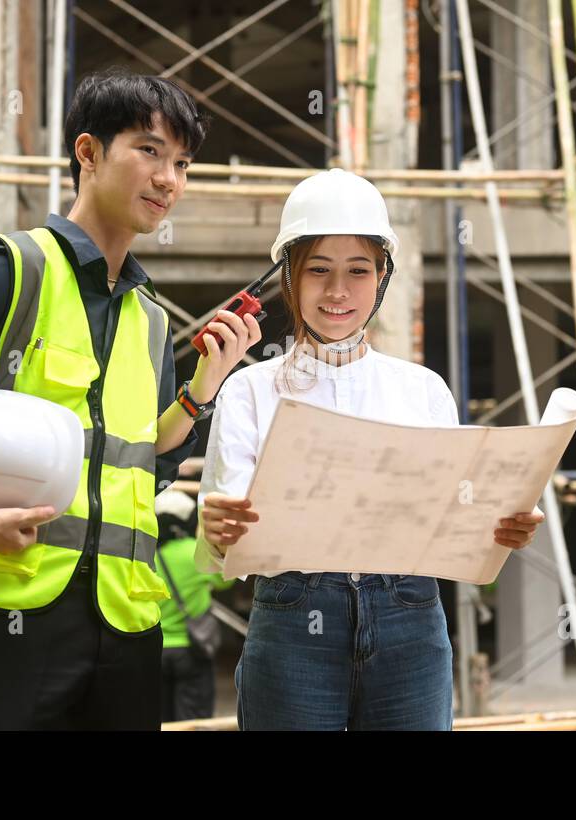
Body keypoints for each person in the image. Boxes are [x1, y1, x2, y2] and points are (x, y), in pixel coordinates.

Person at [0, 69, 261, 730]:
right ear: (88, 153)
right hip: (21, 612)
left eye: (182, 163)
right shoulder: (18, 268)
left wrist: (201, 388)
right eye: (149, 151)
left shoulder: (148, 319)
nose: (168, 179)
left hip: (128, 619)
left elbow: (139, 467)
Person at [194, 169, 544, 731]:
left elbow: (453, 519)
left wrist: (500, 527)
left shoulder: (423, 390)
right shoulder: (248, 390)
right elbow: (220, 548)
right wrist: (218, 529)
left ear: (381, 278)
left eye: (358, 271)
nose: (338, 292)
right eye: (319, 271)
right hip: (293, 618)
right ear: (290, 277)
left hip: (409, 618)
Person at [153, 490, 235, 723]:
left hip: (155, 648)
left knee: (160, 720)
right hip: (192, 648)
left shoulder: (145, 553)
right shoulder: (194, 551)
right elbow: (223, 582)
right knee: (194, 721)